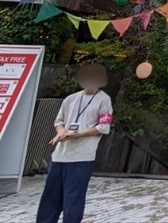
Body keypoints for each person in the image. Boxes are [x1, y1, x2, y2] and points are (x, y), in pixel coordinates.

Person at [37, 63, 113, 223]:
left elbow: (103, 126)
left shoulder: (104, 100)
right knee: (50, 198)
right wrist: (61, 132)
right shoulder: (70, 99)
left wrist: (78, 135)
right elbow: (59, 121)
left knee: (73, 199)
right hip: (60, 155)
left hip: (82, 157)